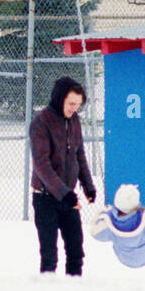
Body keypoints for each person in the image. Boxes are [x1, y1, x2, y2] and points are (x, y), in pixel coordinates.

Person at [29, 76, 96, 275]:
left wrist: (88, 186)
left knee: (76, 251)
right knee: (49, 254)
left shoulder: (74, 120)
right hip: (46, 198)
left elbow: (79, 155)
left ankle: (74, 290)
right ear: (60, 99)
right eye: (70, 103)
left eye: (78, 104)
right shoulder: (41, 122)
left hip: (68, 198)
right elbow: (42, 165)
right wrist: (65, 194)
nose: (74, 108)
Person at [89, 184, 145, 268]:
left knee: (119, 238)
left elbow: (94, 232)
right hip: (144, 256)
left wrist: (102, 213)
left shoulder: (108, 223)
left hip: (123, 257)